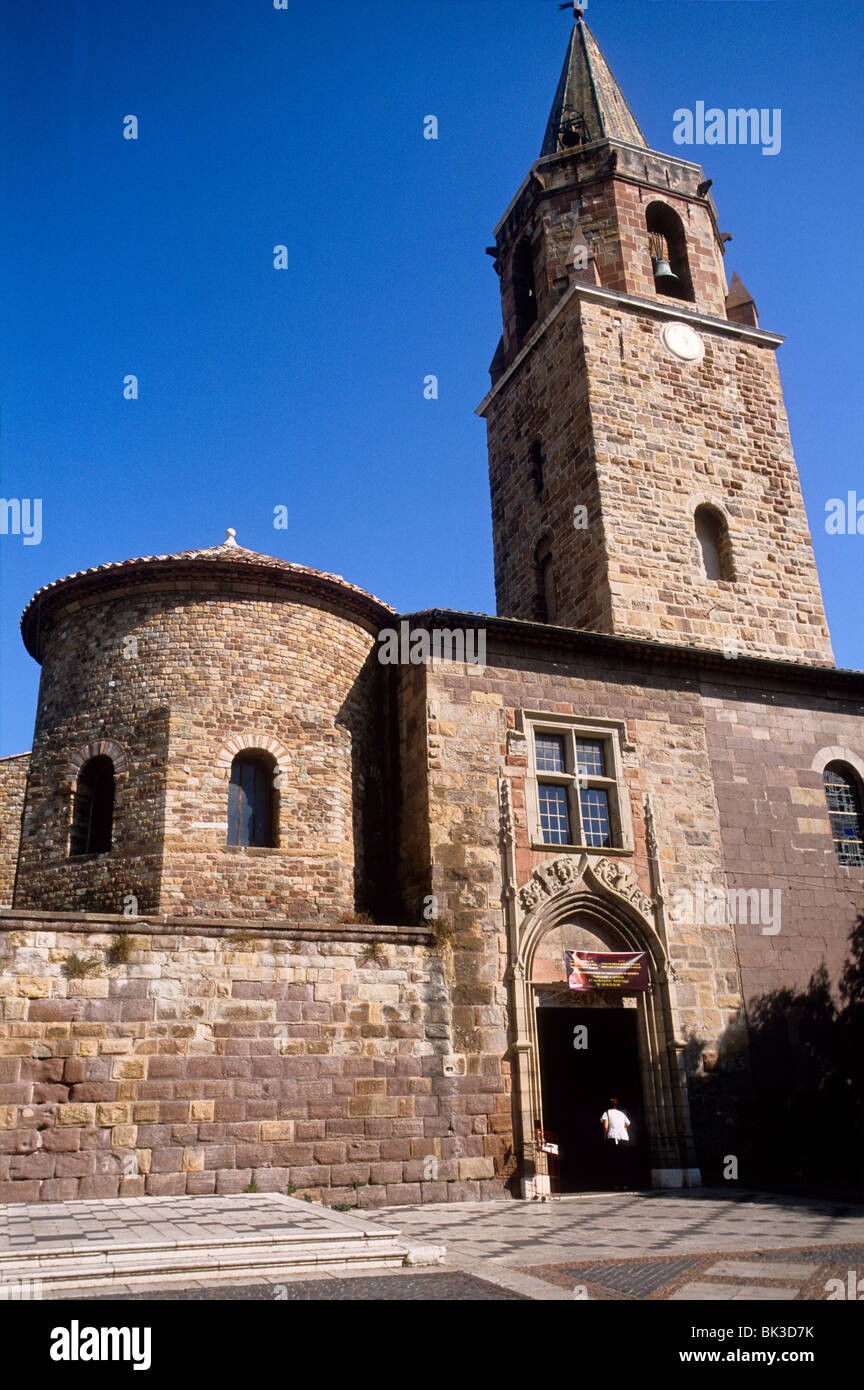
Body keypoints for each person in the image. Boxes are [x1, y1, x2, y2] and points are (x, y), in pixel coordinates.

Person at [601, 1096, 631, 1190]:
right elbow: (627, 1124)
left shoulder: (607, 1113)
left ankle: (615, 1185)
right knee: (624, 1162)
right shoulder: (621, 1113)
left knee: (614, 1162)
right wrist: (623, 1131)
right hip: (624, 1138)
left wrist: (604, 1136)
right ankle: (625, 1184)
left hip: (613, 1137)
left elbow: (606, 1126)